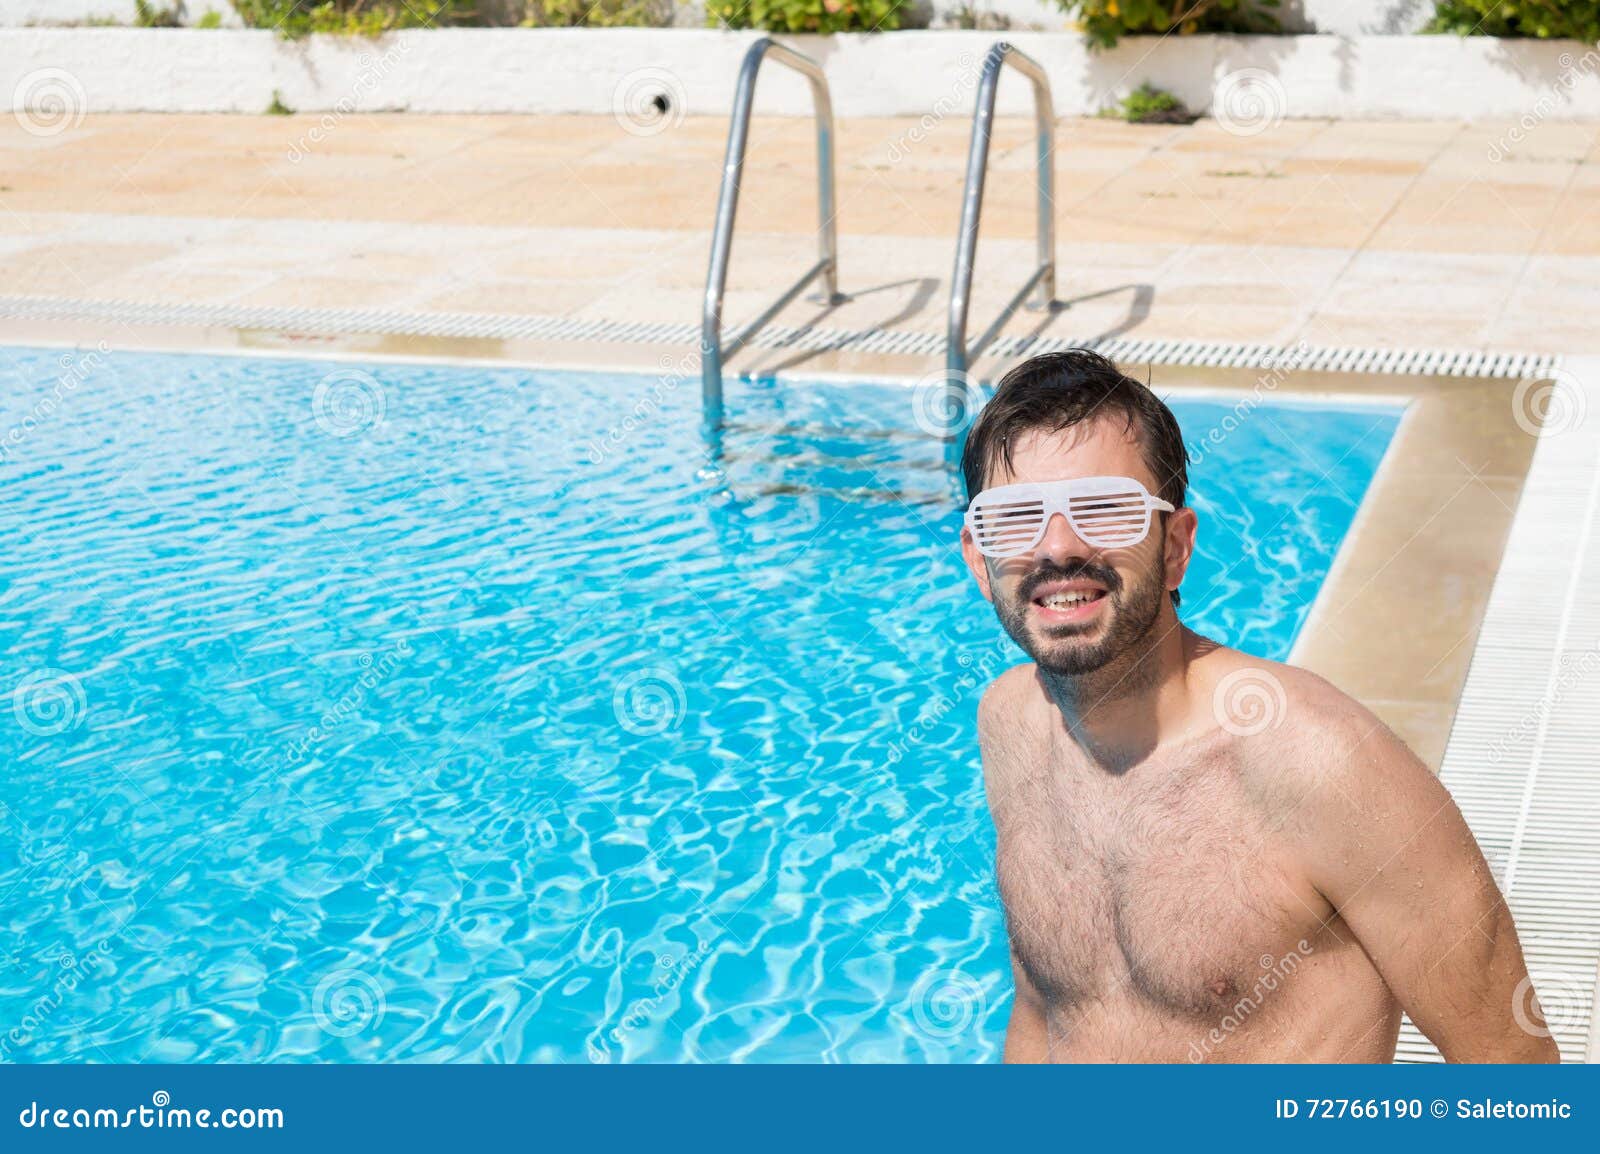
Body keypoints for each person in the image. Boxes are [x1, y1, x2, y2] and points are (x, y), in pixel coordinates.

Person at [959, 349, 1558, 1063]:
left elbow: (1517, 1077)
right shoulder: (1010, 726)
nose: (1058, 547)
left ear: (1176, 546)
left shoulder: (1323, 764)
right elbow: (1041, 1014)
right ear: (977, 554)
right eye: (1016, 518)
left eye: (1106, 511)